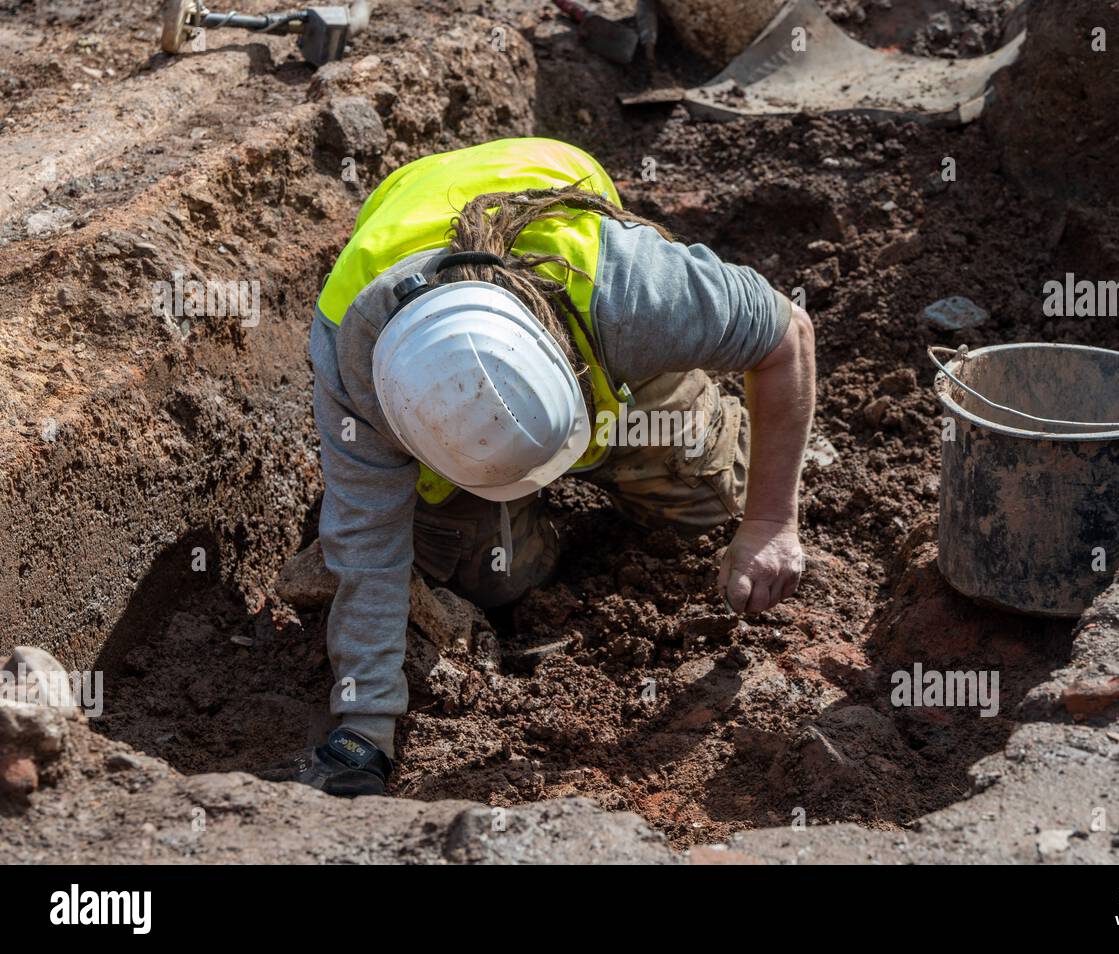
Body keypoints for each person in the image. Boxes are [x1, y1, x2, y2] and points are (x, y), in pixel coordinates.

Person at [262, 137, 816, 796]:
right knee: (493, 580)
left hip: (614, 375)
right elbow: (367, 542)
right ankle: (515, 524)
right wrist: (363, 734)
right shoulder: (358, 370)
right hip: (457, 396)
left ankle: (656, 447)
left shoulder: (630, 295)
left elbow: (789, 336)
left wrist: (770, 524)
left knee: (710, 500)